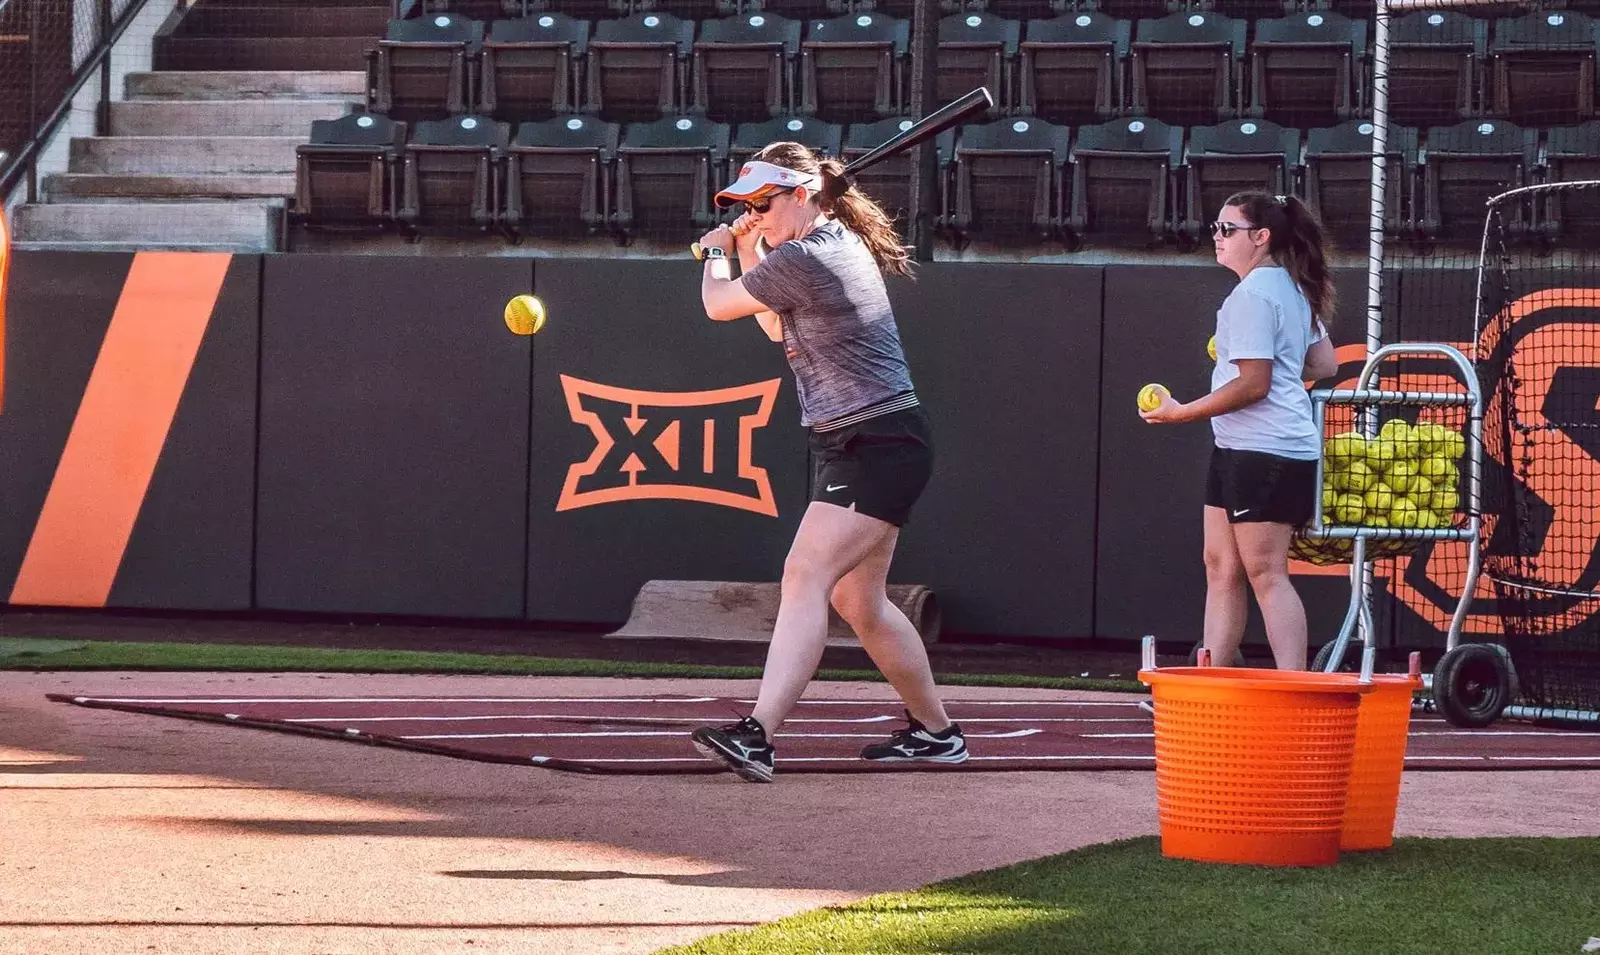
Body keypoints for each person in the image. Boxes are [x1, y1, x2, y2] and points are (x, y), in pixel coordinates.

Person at [685, 142, 965, 783]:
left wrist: (717, 252)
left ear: (802, 193)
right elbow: (765, 322)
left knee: (803, 574)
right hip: (853, 439)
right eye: (746, 206)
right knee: (860, 603)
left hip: (879, 440)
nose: (754, 213)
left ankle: (758, 734)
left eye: (763, 202)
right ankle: (938, 734)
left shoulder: (814, 253)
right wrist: (749, 244)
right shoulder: (810, 248)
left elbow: (719, 305)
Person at [1140, 192, 1341, 672]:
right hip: (1240, 448)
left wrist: (1180, 412)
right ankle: (1214, 680)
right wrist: (1263, 355)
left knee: (1266, 574)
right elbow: (1323, 363)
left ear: (1261, 237)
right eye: (1216, 227)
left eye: (1228, 229)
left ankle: (1295, 688)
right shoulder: (1287, 288)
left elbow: (1254, 384)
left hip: (1266, 451)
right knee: (1220, 565)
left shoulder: (1253, 295)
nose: (1217, 237)